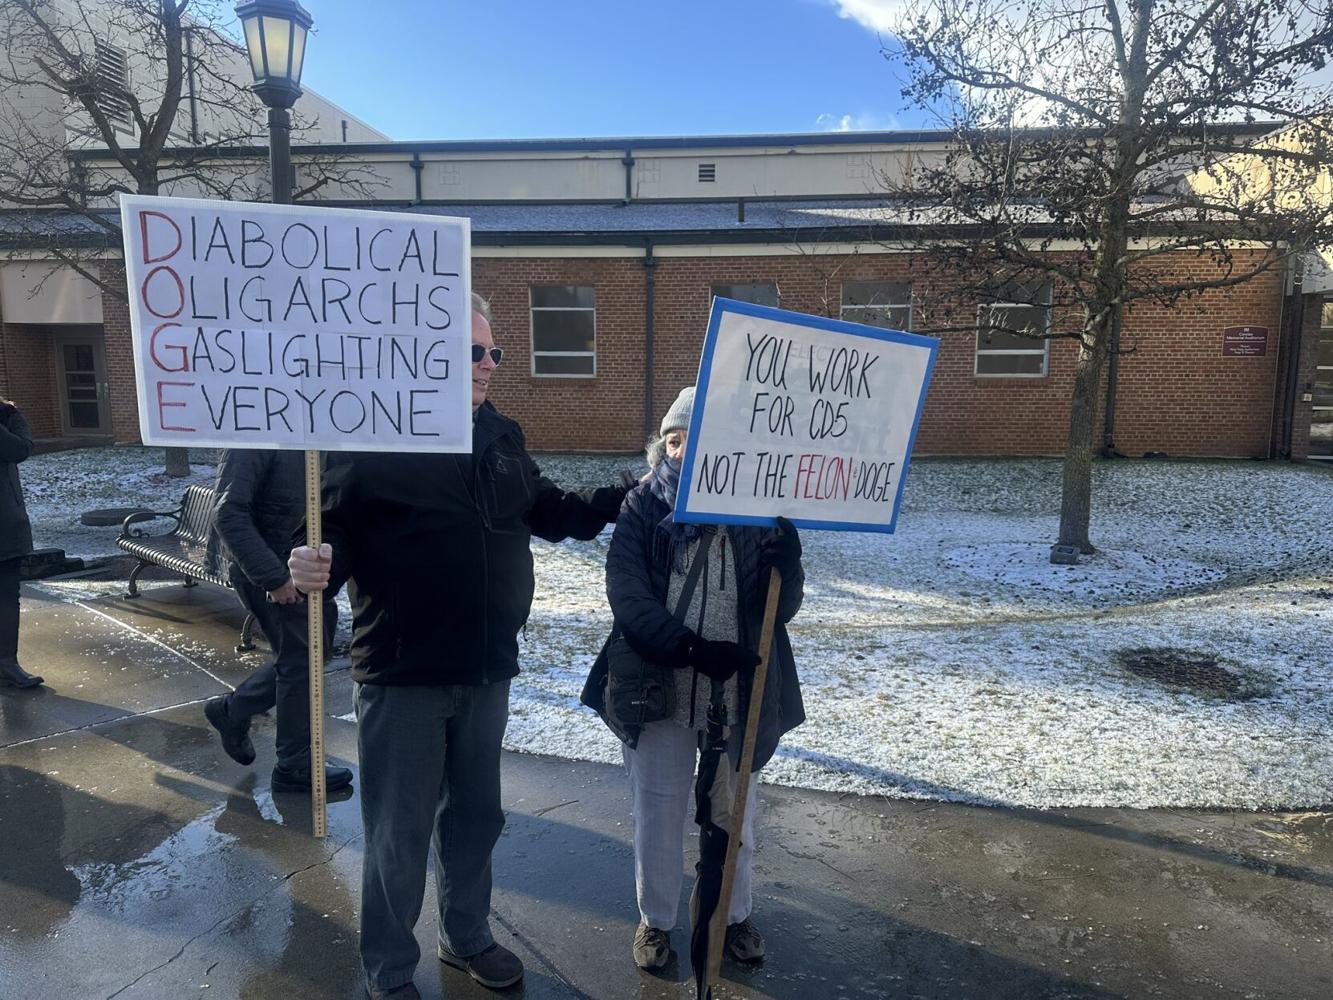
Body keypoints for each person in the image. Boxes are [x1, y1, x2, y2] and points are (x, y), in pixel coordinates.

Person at [288, 293, 628, 1000]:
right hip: (403, 672)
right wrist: (311, 561)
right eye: (473, 352)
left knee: (476, 817)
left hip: (486, 667)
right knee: (399, 832)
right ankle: (388, 968)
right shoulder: (373, 437)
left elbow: (550, 511)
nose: (489, 364)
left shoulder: (500, 436)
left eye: (493, 351)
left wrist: (623, 495)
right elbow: (330, 533)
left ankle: (466, 935)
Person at [580, 385, 806, 971]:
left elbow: (779, 609)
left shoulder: (757, 512)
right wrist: (689, 648)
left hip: (738, 688)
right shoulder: (642, 506)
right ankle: (656, 921)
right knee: (658, 810)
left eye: (694, 437)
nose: (682, 450)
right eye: (673, 440)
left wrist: (790, 566)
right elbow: (627, 596)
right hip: (660, 687)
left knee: (736, 812)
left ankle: (733, 913)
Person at [203, 449, 350, 795]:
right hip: (274, 570)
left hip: (309, 569)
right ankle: (294, 765)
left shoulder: (316, 432)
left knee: (309, 655)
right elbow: (228, 512)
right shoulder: (256, 433)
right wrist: (274, 577)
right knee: (301, 663)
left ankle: (232, 710)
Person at [0, 397, 41, 689]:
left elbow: (21, 449)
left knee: (6, 597)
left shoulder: (8, 414)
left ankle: (6, 663)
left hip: (5, 525)